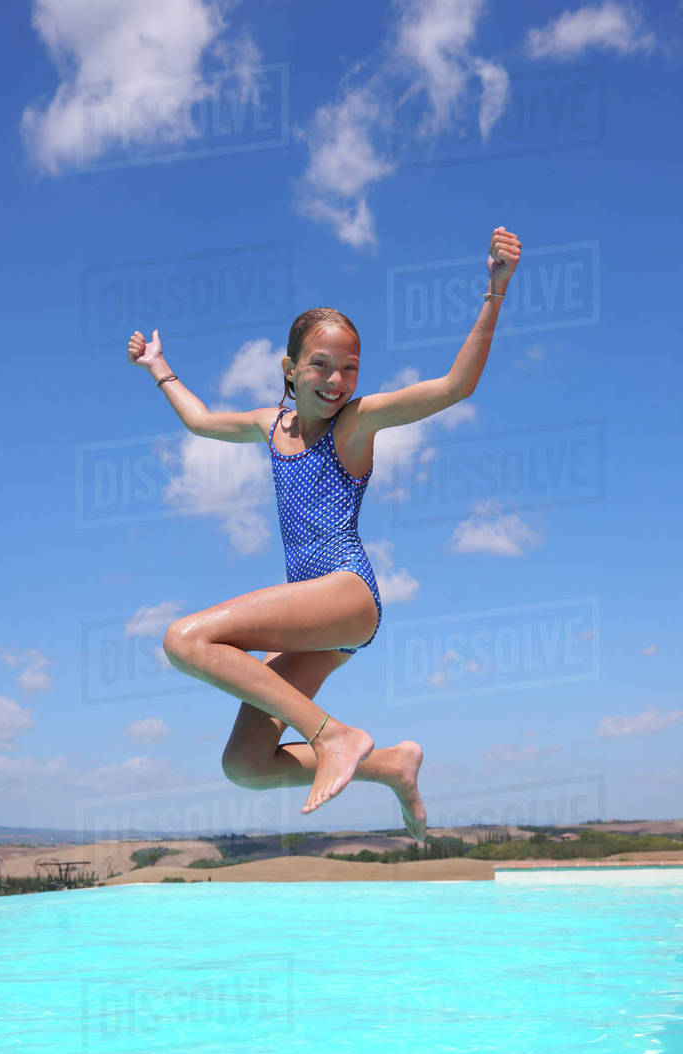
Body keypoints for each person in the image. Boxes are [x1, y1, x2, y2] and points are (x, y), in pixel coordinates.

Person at [127, 227, 521, 840]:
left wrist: (494, 292)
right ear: (289, 368)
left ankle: (332, 734)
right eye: (321, 365)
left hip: (347, 592)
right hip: (320, 627)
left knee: (185, 640)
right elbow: (202, 422)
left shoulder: (356, 426)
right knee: (246, 766)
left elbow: (453, 387)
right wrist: (160, 368)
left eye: (350, 369)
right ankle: (392, 765)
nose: (337, 381)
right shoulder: (270, 424)